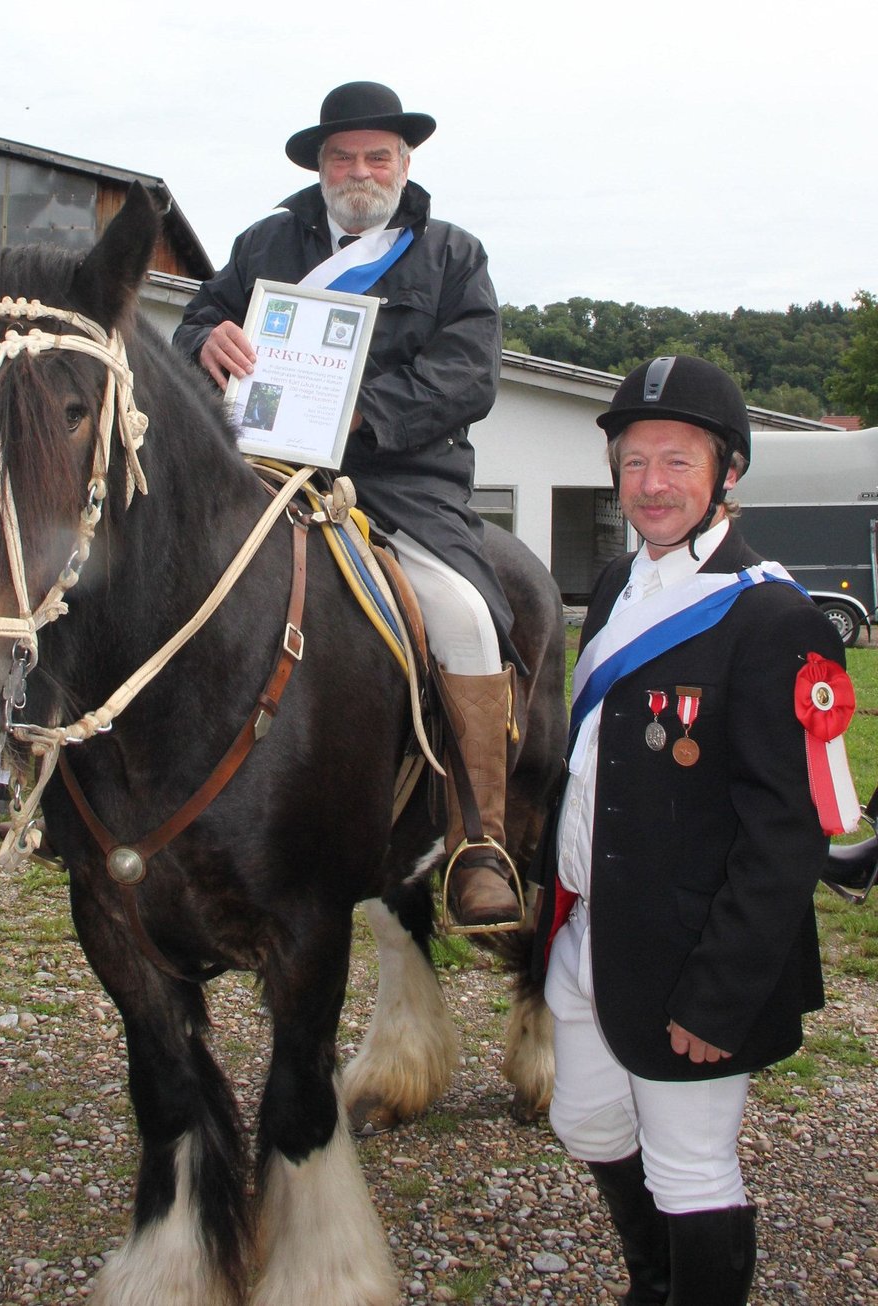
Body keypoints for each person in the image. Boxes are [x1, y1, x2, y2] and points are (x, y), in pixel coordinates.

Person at [529, 355, 858, 1304]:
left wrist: (720, 996)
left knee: (692, 1169)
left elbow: (782, 836)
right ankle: (655, 1281)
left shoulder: (773, 618)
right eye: (634, 463)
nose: (653, 485)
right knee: (587, 1122)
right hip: (589, 931)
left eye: (677, 461)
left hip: (691, 955)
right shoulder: (616, 582)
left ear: (728, 473)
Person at [174, 81, 523, 928]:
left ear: (403, 164)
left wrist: (361, 411)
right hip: (261, 469)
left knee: (468, 617)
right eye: (342, 157)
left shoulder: (452, 255)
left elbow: (469, 371)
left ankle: (480, 836)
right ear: (321, 167)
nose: (358, 170)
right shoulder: (266, 240)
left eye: (377, 156)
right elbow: (197, 321)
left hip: (400, 483)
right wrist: (203, 341)